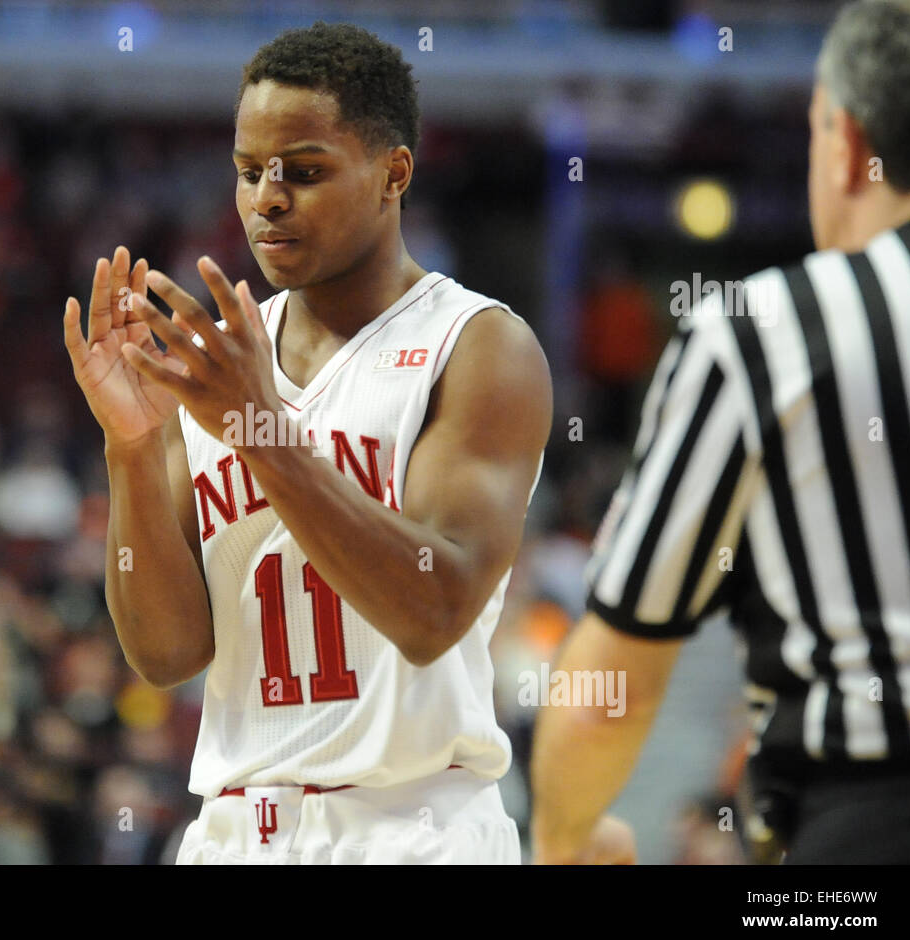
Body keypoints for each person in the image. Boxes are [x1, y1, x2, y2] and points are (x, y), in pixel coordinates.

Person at [64, 21, 551, 864]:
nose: (267, 198)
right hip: (233, 830)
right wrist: (135, 449)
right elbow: (168, 651)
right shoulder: (216, 365)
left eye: (304, 170)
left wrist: (263, 432)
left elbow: (434, 608)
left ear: (393, 171)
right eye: (250, 172)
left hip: (413, 831)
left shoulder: (477, 346)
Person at [531, 0, 910, 864]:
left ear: (849, 143)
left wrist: (563, 838)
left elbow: (613, 683)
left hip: (868, 830)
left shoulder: (767, 329)